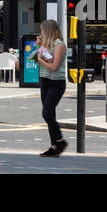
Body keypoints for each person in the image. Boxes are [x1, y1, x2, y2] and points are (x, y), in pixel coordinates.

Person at [35, 19, 68, 157]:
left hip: (56, 83)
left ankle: (60, 141)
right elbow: (47, 59)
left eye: (43, 30)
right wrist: (41, 47)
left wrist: (40, 60)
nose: (41, 33)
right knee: (50, 115)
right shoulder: (46, 45)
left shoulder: (59, 45)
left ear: (48, 31)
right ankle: (54, 146)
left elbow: (54, 67)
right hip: (45, 81)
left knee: (47, 113)